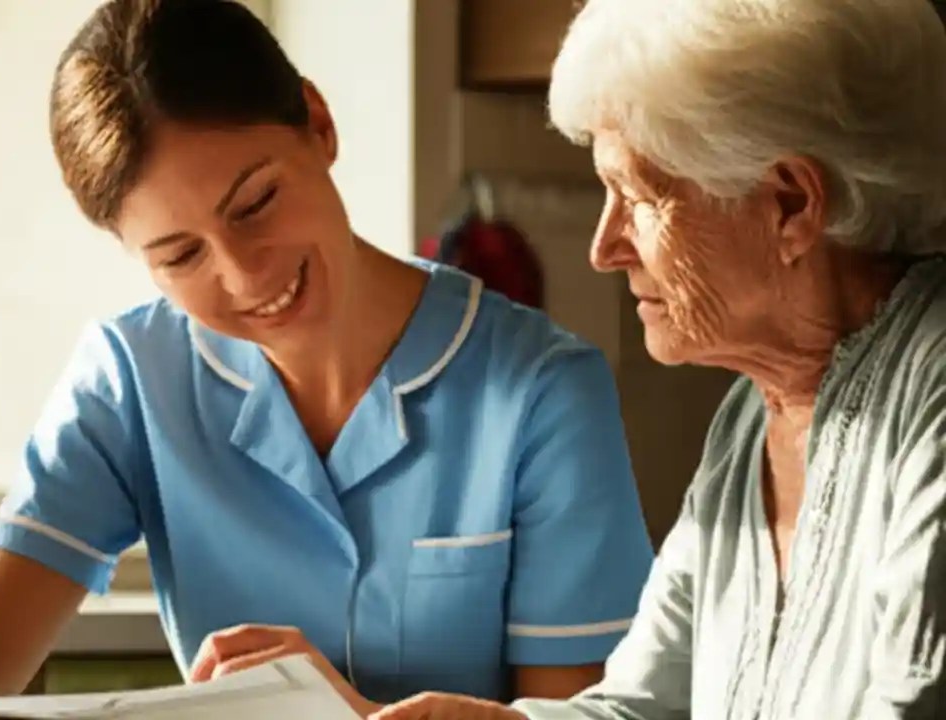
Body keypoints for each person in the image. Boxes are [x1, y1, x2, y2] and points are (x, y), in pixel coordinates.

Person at [0, 1, 654, 718]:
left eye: (256, 203)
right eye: (179, 256)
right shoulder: (131, 379)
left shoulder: (542, 392)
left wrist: (341, 714)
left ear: (319, 125)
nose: (245, 275)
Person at [308, 0, 946, 717]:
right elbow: (644, 705)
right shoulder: (750, 418)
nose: (604, 247)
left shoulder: (935, 395)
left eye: (639, 196)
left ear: (791, 204)